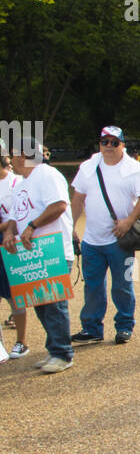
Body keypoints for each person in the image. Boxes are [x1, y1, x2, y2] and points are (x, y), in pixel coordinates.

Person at [69, 127, 140, 346]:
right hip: (92, 241)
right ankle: (92, 328)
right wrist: (71, 226)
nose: (108, 146)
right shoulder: (88, 166)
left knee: (123, 284)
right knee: (92, 285)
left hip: (121, 239)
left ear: (122, 145)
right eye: (104, 141)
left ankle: (125, 325)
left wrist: (129, 221)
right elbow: (78, 198)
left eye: (114, 142)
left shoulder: (133, 168)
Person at [0, 139, 75, 373]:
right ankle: (54, 349)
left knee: (54, 303)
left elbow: (59, 205)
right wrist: (11, 231)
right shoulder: (22, 183)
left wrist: (31, 226)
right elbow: (14, 215)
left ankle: (63, 354)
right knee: (41, 304)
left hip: (53, 249)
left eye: (14, 154)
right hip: (33, 253)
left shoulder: (47, 175)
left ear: (25, 155)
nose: (11, 159)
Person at [0, 150, 27, 358]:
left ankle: (21, 342)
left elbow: (18, 216)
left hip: (10, 245)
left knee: (14, 295)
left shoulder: (17, 182)